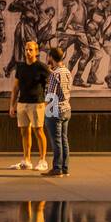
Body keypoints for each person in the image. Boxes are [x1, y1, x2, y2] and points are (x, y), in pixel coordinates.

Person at [8, 39, 49, 171]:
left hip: (37, 103)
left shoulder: (41, 67)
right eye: (26, 49)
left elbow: (52, 84)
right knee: (24, 132)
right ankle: (27, 159)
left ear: (36, 52)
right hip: (22, 103)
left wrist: (47, 101)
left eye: (31, 49)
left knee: (39, 130)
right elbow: (15, 87)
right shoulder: (20, 67)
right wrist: (12, 105)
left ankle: (43, 160)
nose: (28, 52)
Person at [43, 45, 72, 177]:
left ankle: (57, 168)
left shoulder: (55, 74)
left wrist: (45, 109)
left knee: (56, 141)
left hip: (55, 110)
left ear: (51, 57)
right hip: (66, 108)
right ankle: (65, 168)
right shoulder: (66, 71)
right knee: (64, 139)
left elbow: (51, 95)